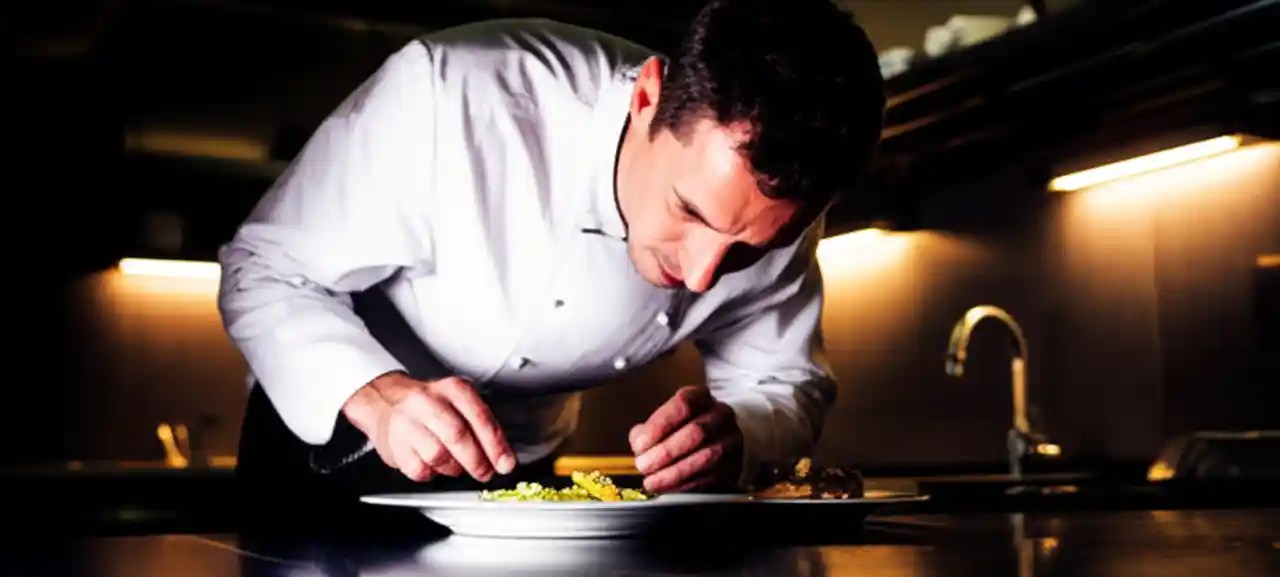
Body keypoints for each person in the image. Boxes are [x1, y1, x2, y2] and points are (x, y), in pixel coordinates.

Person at [216, 0, 885, 494]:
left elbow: (785, 381)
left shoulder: (778, 198)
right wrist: (379, 394)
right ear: (648, 98)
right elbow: (262, 268)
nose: (704, 274)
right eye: (689, 210)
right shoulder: (452, 95)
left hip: (514, 477)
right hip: (324, 447)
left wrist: (741, 434)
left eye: (751, 250)